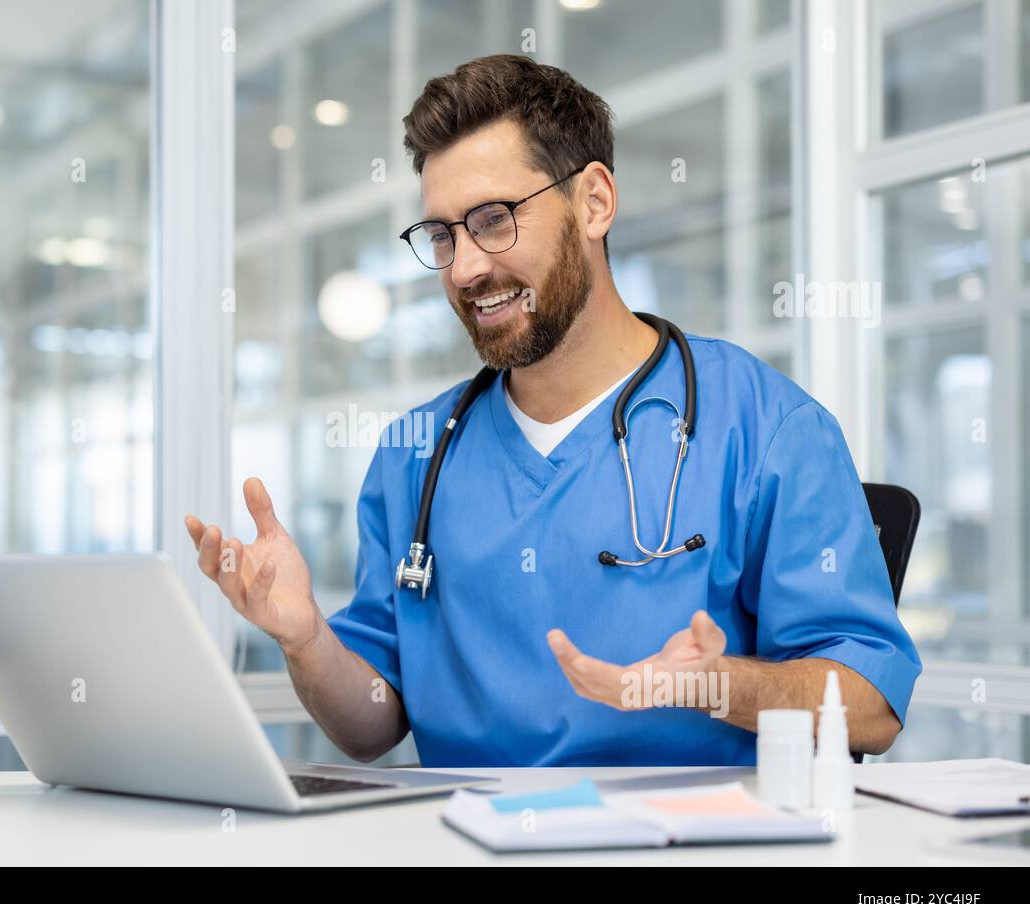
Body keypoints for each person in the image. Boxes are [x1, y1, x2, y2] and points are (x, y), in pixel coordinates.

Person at [185, 54, 919, 767]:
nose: (466, 267)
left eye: (495, 218)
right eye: (443, 235)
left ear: (594, 201)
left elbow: (872, 706)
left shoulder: (764, 428)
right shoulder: (415, 454)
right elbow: (371, 723)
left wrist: (714, 684)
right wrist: (305, 636)